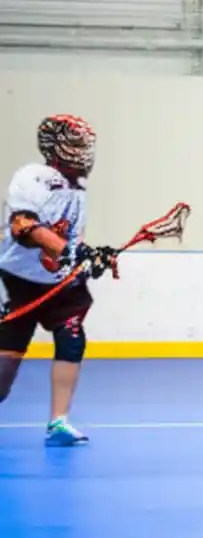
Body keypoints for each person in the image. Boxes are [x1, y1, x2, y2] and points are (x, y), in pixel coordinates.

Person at [0, 115, 117, 446]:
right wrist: (71, 252)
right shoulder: (33, 177)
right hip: (19, 281)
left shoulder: (78, 189)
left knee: (73, 340)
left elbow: (71, 238)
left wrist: (90, 259)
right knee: (4, 372)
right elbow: (24, 227)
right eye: (76, 145)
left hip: (60, 285)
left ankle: (59, 421)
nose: (83, 153)